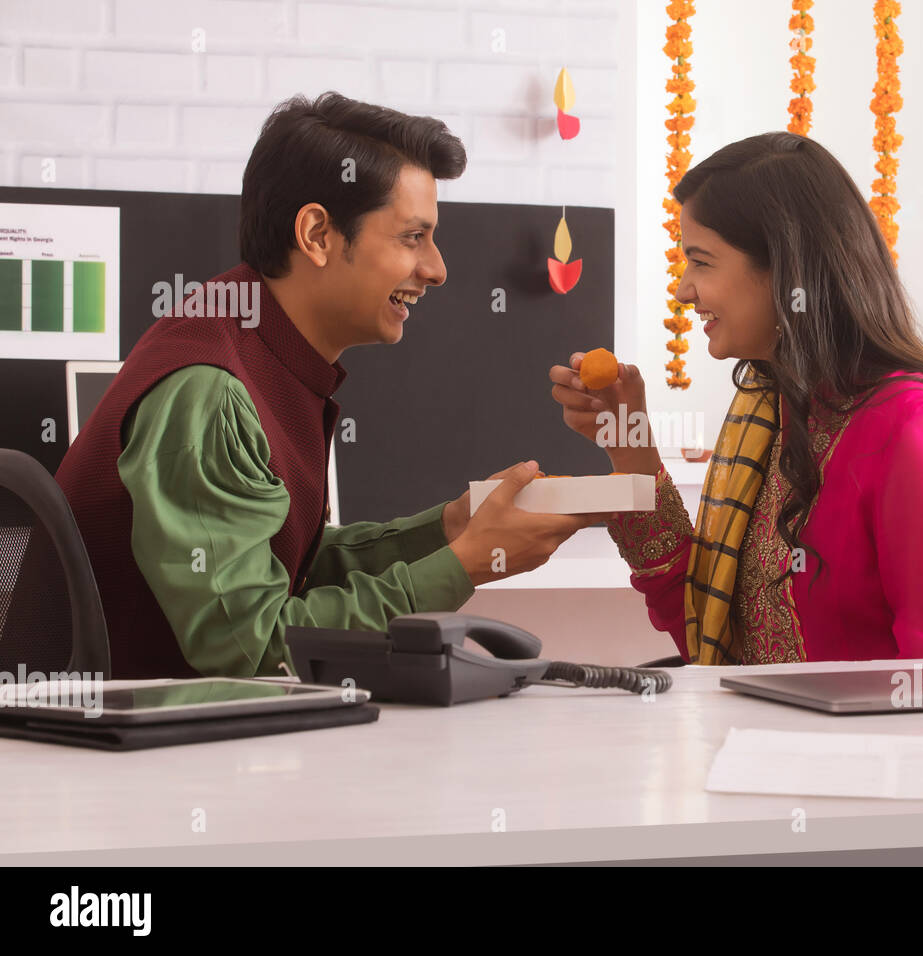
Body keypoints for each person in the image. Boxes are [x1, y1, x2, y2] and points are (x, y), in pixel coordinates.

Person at [56, 92, 590, 679]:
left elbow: (282, 573)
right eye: (413, 237)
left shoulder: (254, 346)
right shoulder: (210, 393)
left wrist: (446, 532)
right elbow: (252, 649)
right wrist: (464, 564)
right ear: (316, 234)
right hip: (141, 762)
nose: (436, 268)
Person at [550, 132, 923, 665]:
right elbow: (702, 630)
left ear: (786, 271)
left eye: (702, 262)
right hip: (748, 738)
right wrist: (629, 447)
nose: (684, 290)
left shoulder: (919, 432)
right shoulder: (772, 412)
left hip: (859, 747)